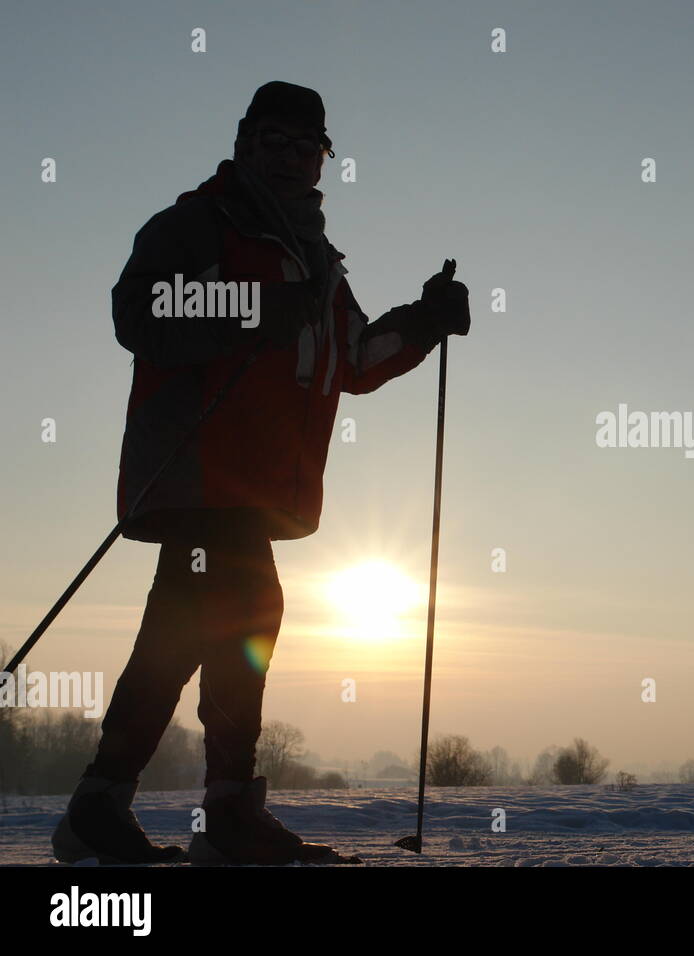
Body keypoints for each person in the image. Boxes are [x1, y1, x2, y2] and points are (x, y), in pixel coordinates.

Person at [52, 81, 470, 865]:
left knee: (190, 628)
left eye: (304, 149)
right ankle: (214, 816)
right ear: (243, 144)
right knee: (243, 613)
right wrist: (247, 307)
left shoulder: (316, 264)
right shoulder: (198, 223)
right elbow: (137, 312)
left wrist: (423, 320)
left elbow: (351, 361)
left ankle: (110, 809)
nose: (288, 160)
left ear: (322, 164)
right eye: (272, 142)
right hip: (197, 473)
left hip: (255, 488)